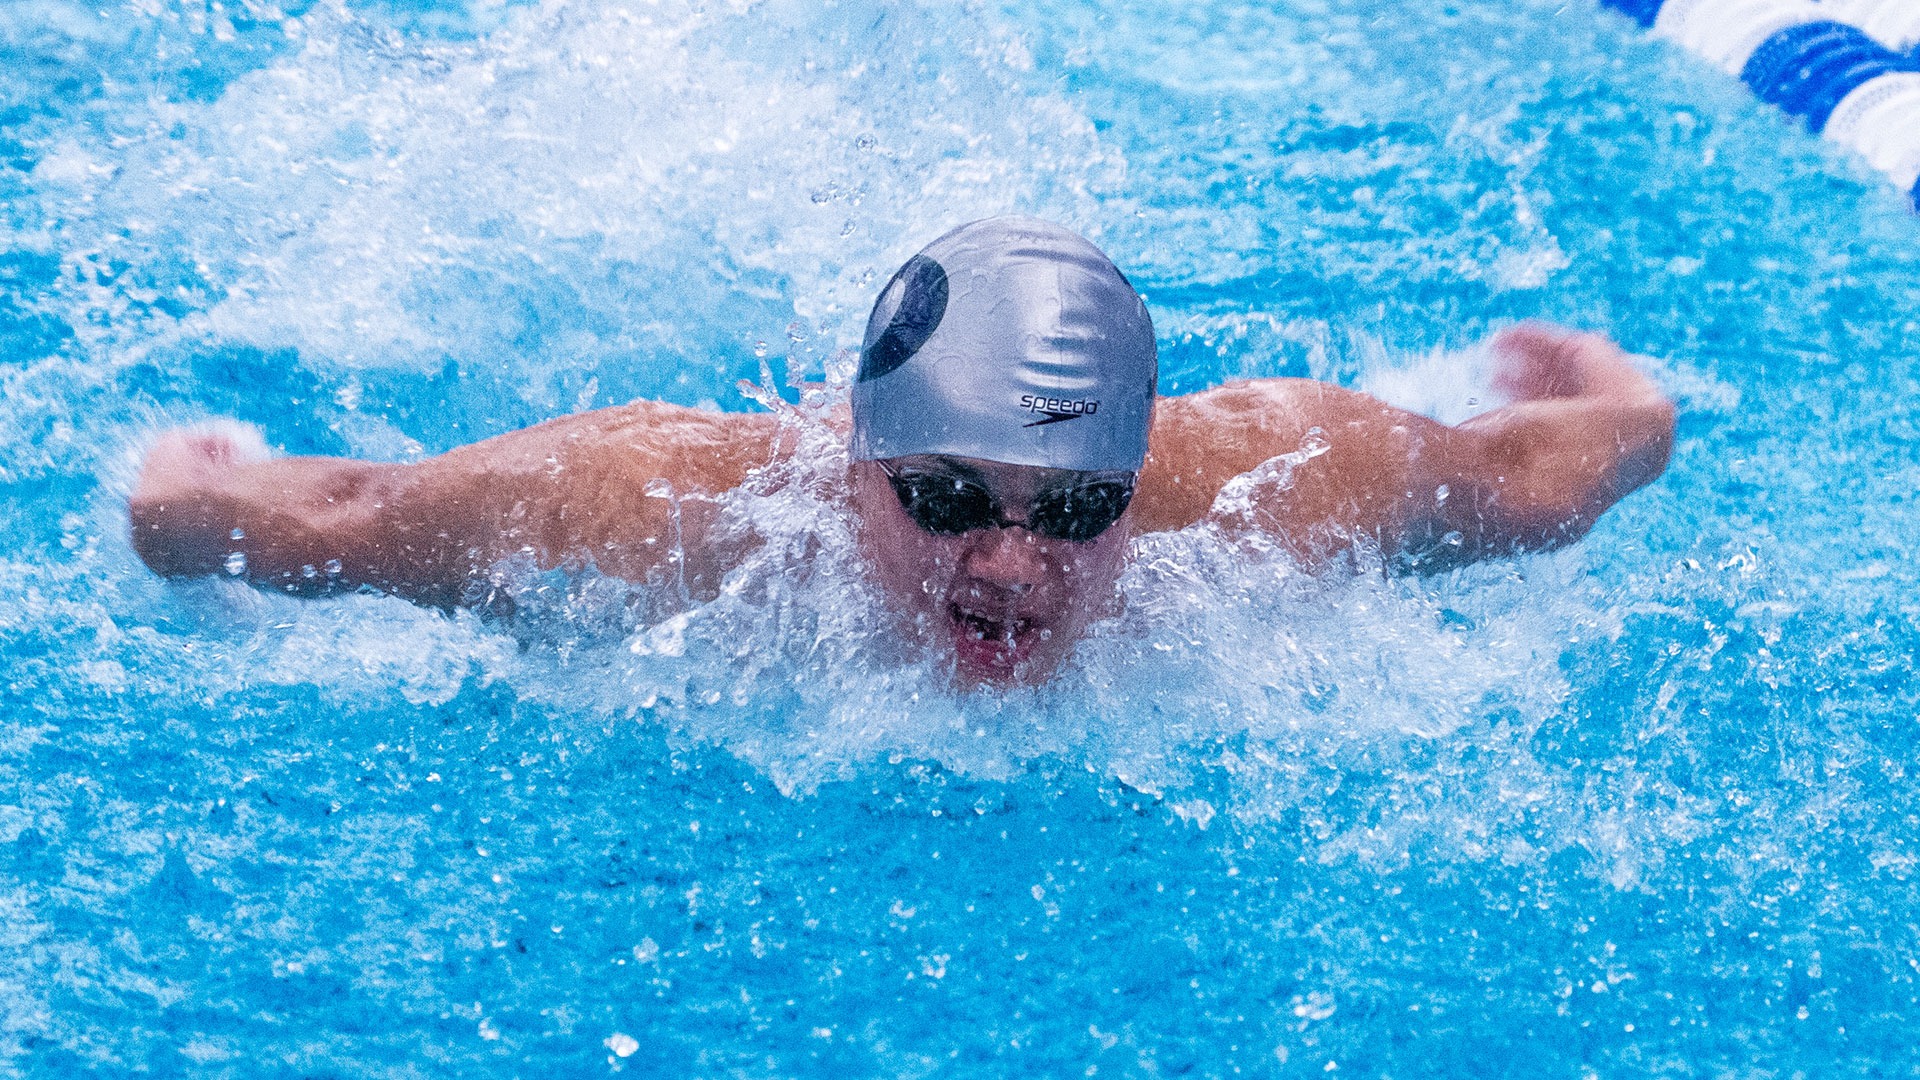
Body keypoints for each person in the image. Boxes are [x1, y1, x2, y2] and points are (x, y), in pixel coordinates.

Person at [128, 217, 1676, 683]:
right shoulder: (656, 510)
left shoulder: (1273, 487)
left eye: (1075, 510)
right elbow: (345, 515)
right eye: (944, 498)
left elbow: (1554, 472)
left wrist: (1608, 385)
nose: (1009, 562)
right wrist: (188, 502)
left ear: (1142, 488)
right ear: (849, 460)